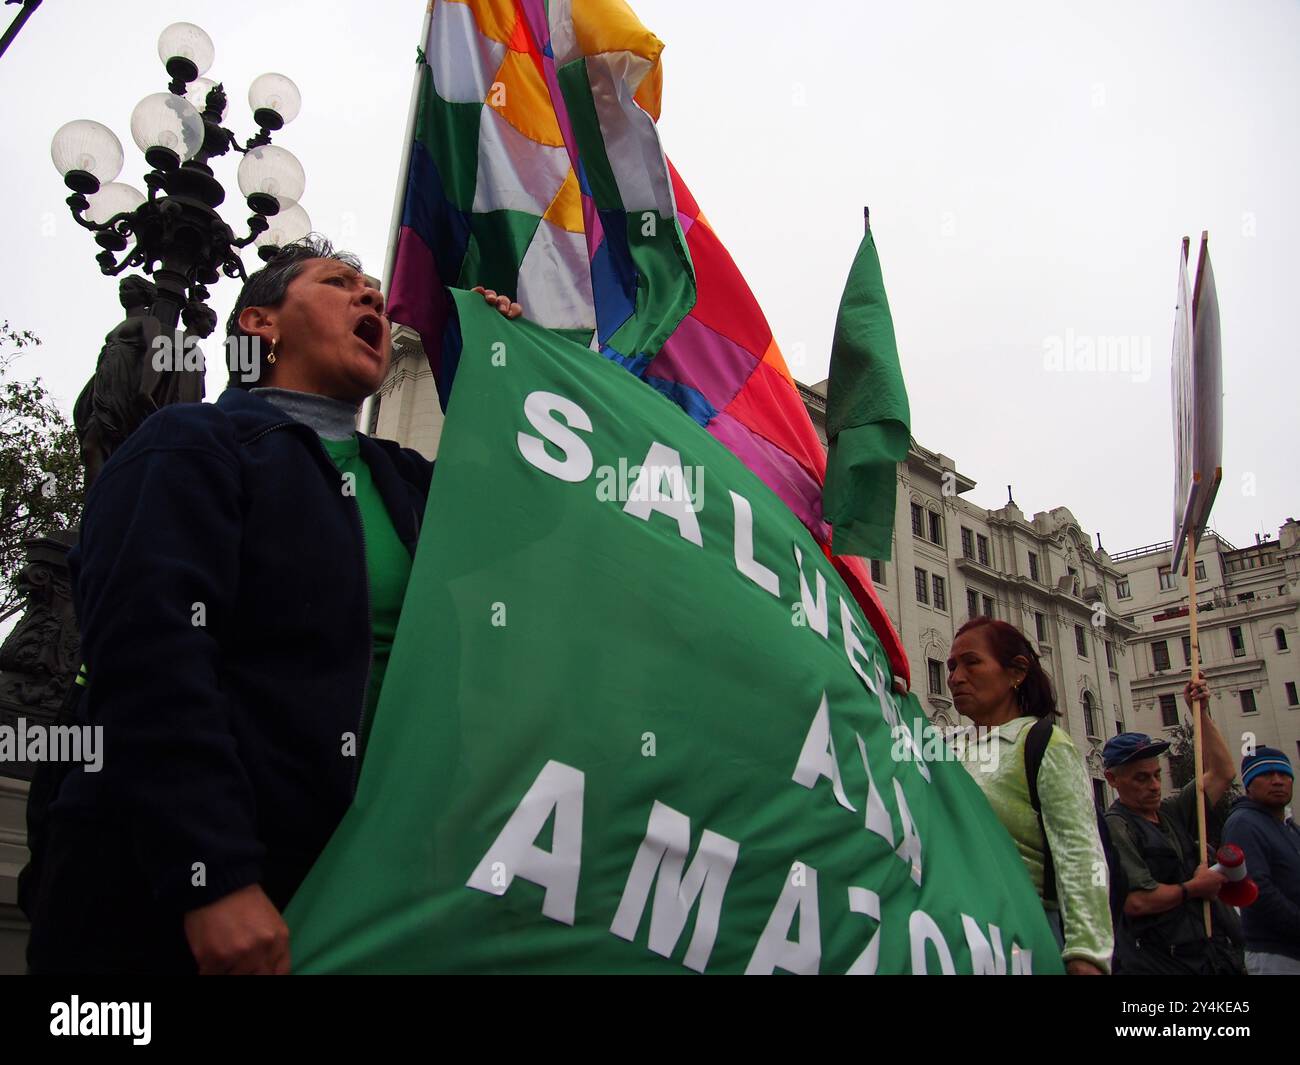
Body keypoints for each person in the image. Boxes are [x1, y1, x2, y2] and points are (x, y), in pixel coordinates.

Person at [24, 236, 520, 975]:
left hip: (341, 897)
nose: (371, 297)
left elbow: (535, 511)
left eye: (377, 292)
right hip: (159, 900)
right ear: (261, 324)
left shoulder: (408, 484)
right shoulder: (192, 443)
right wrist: (212, 875)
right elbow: (151, 658)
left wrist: (505, 361)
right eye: (339, 282)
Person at [946, 616, 1113, 974]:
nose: (955, 677)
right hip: (952, 939)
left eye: (971, 662)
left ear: (1016, 673)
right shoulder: (944, 747)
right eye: (951, 666)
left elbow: (1080, 855)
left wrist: (1087, 955)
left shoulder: (1043, 742)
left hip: (1023, 940)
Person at [1103, 675, 1246, 975]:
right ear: (1113, 780)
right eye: (1141, 778)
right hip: (1159, 963)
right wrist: (1194, 888)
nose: (1154, 785)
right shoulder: (1117, 829)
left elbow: (1222, 772)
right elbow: (1137, 902)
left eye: (1156, 775)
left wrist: (1200, 713)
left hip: (1210, 956)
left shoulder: (1173, 811)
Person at [1222, 746, 1300, 974]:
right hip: (1276, 954)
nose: (1278, 781)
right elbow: (1257, 891)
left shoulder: (1289, 827)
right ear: (1249, 785)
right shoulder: (1244, 823)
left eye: (1284, 775)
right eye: (1266, 775)